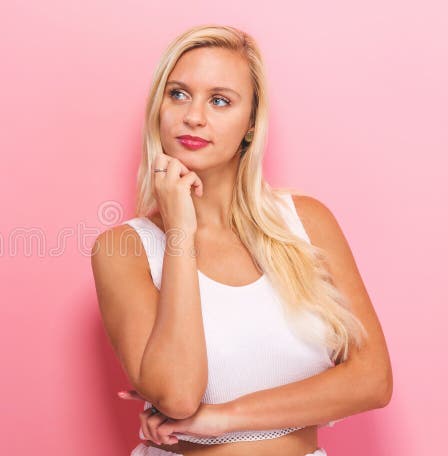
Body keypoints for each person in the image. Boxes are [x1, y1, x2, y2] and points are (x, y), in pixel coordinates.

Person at [90, 24, 393, 456]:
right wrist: (180, 232)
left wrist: (222, 418)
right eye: (178, 94)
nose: (194, 116)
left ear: (251, 122)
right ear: (158, 107)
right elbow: (177, 396)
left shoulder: (305, 223)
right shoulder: (125, 250)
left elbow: (373, 380)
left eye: (219, 100)